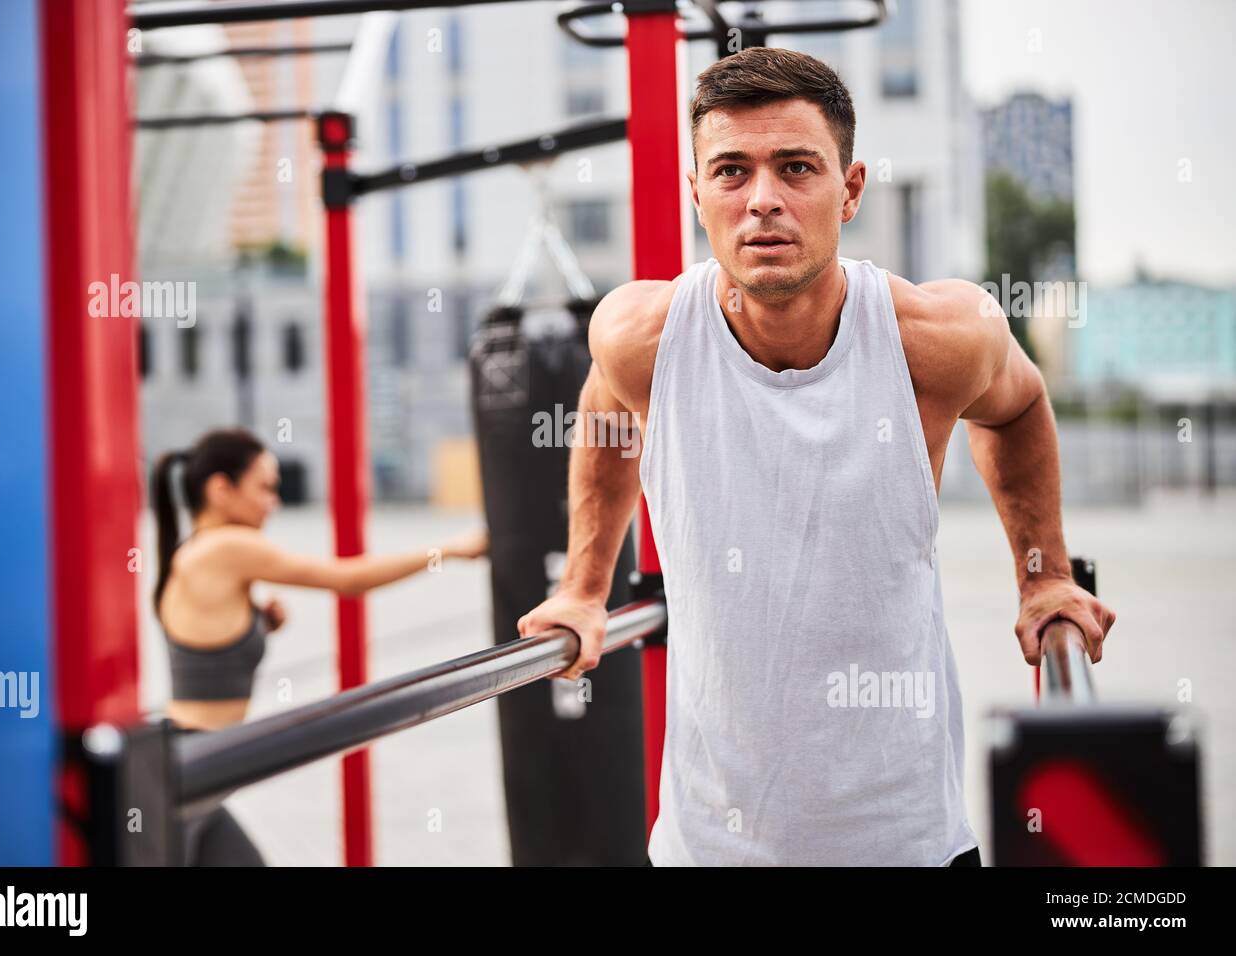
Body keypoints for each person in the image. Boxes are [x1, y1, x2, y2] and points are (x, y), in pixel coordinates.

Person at [516, 47, 1116, 866]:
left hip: (906, 844)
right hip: (707, 847)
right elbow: (603, 413)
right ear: (697, 194)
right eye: (731, 171)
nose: (763, 200)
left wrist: (1043, 573)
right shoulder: (640, 339)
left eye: (796, 167)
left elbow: (1019, 407)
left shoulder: (935, 339)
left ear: (851, 189)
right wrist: (585, 589)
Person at [150, 427, 488, 865]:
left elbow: (202, 648)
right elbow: (348, 580)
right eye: (265, 488)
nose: (275, 501)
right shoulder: (228, 546)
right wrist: (453, 548)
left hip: (197, 767)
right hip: (193, 768)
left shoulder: (194, 550)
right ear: (220, 489)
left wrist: (256, 625)